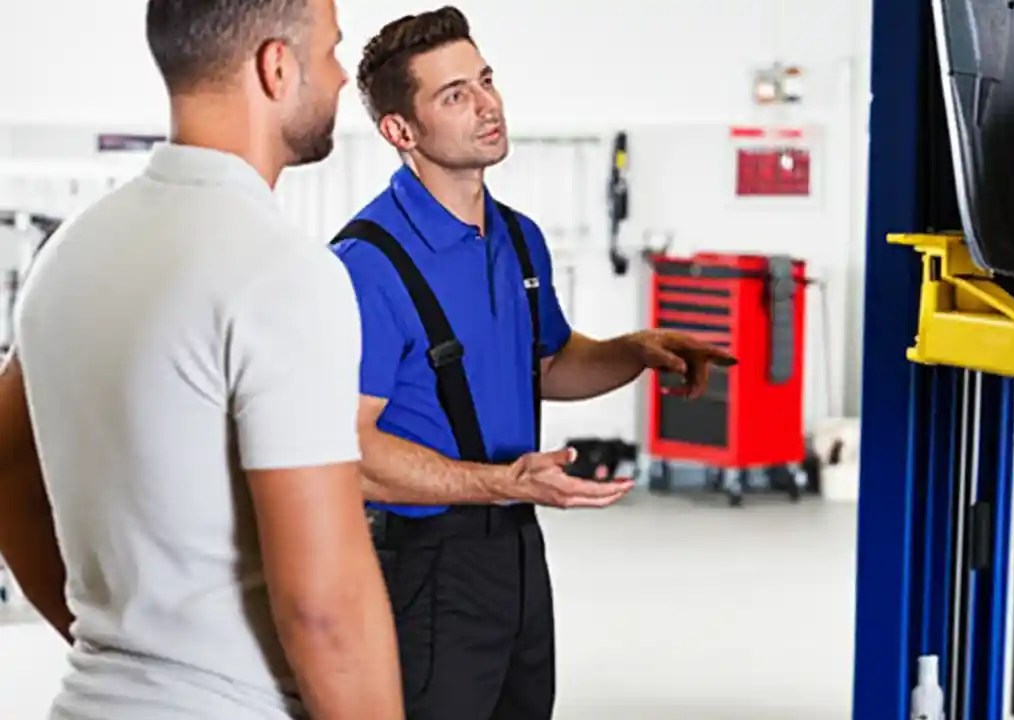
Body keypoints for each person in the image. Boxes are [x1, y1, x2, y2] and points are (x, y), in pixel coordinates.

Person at [0, 1, 403, 718]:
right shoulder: (283, 273)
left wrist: (125, 661)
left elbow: (4, 469)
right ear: (277, 67)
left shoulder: (67, 253)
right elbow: (325, 606)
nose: (344, 77)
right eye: (333, 51)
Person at [331, 7, 737, 719]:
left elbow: (547, 363)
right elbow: (347, 451)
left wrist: (633, 351)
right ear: (401, 131)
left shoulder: (519, 240)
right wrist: (498, 482)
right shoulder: (366, 265)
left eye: (485, 80)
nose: (488, 104)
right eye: (454, 94)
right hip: (419, 566)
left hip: (516, 550)